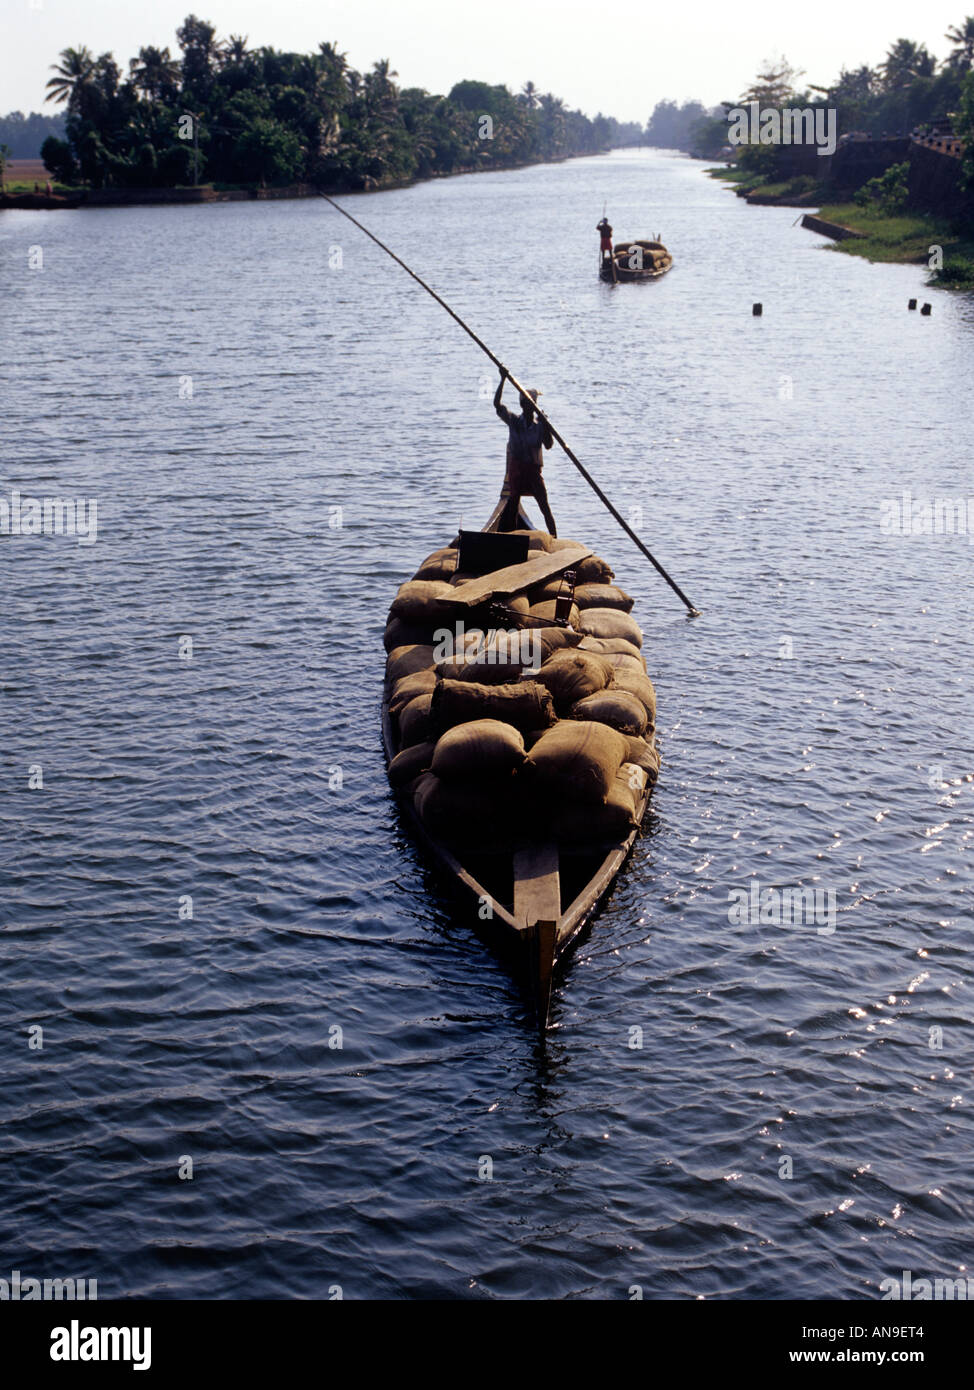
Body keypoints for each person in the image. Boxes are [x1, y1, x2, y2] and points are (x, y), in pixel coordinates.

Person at [493, 367, 557, 536]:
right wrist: (502, 380)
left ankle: (554, 538)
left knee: (544, 506)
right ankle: (511, 538)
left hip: (534, 471)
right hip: (517, 470)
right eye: (525, 404)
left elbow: (549, 445)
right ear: (522, 405)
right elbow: (497, 405)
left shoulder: (540, 425)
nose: (528, 408)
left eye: (531, 405)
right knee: (513, 503)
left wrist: (546, 426)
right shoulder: (514, 421)